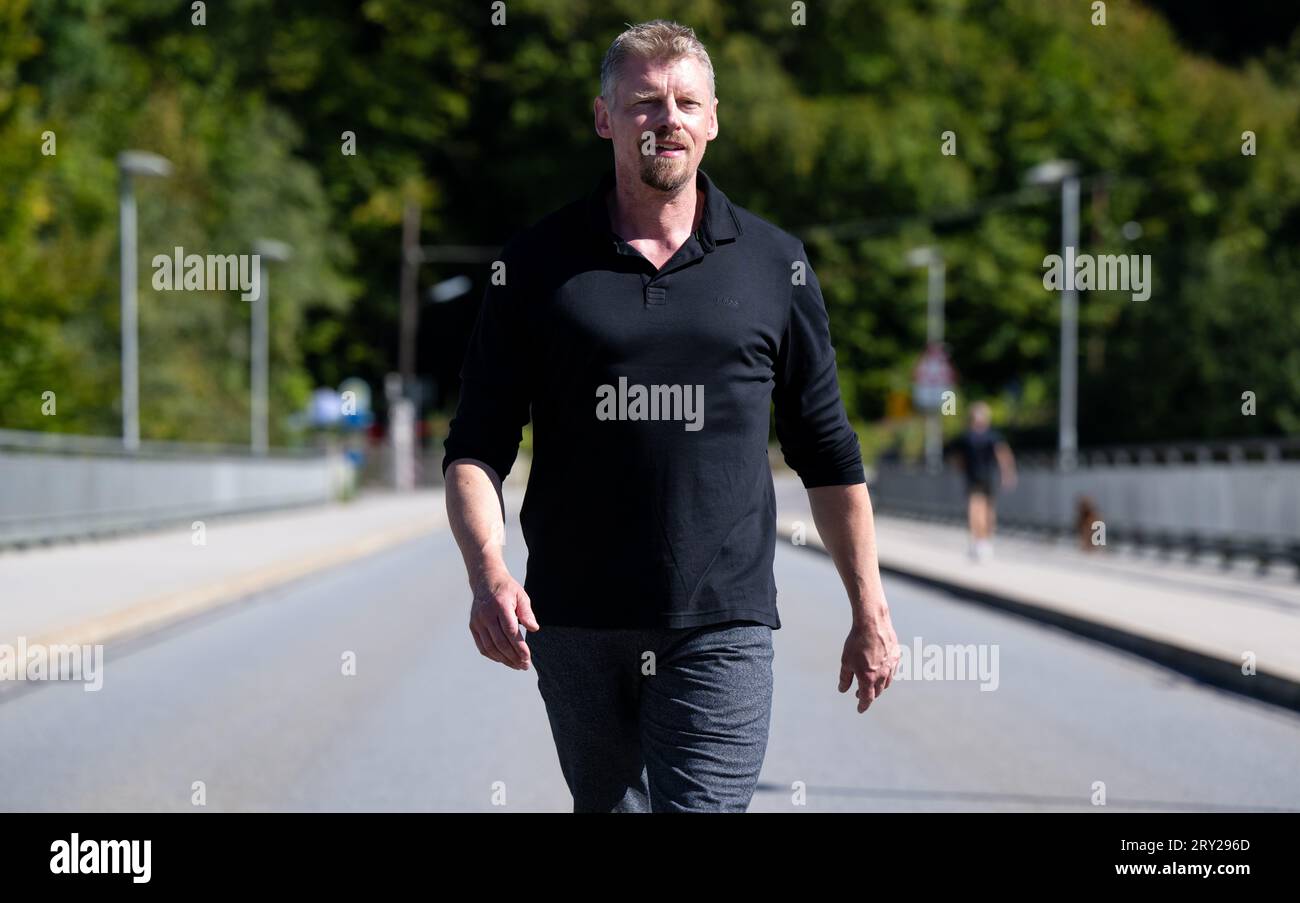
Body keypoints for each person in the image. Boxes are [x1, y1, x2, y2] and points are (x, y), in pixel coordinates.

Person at [441, 19, 900, 813]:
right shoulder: (538, 266)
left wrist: (871, 609)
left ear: (714, 117)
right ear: (603, 117)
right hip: (575, 619)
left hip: (721, 618)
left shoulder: (772, 263)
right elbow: (475, 447)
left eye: (687, 101)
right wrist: (487, 573)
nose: (668, 119)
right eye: (645, 102)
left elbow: (826, 451)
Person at [945, 401, 1017, 560]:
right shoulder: (992, 436)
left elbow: (957, 457)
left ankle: (978, 541)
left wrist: (960, 468)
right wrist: (1007, 473)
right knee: (986, 509)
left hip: (974, 476)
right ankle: (985, 541)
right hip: (987, 476)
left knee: (976, 509)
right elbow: (1003, 455)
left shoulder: (967, 437)